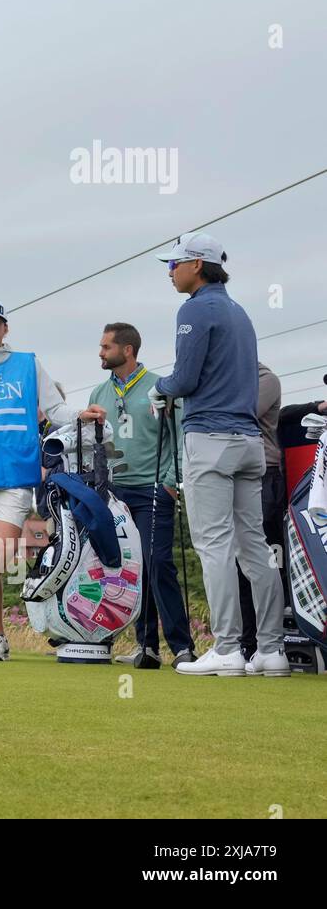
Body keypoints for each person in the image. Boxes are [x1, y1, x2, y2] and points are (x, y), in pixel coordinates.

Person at [151, 233, 288, 677]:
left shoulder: (194, 308)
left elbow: (185, 379)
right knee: (254, 548)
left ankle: (227, 648)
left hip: (211, 440)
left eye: (174, 264)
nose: (170, 271)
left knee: (214, 547)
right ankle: (270, 650)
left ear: (196, 265)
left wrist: (160, 388)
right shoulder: (240, 312)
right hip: (250, 445)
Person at [0, 301, 104, 661]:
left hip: (13, 472)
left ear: (6, 328)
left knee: (5, 550)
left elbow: (55, 409)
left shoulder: (28, 364)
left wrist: (80, 415)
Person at [89, 323, 195, 669]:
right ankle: (146, 646)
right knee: (128, 570)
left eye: (106, 347)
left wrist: (169, 482)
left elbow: (180, 436)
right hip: (114, 494)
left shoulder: (160, 388)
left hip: (152, 490)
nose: (101, 353)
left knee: (158, 562)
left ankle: (182, 646)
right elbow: (93, 445)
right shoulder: (98, 393)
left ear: (128, 350)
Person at [236, 362, 289, 660]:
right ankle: (248, 644)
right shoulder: (227, 377)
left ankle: (272, 643)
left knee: (266, 557)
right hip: (236, 473)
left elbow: (241, 413)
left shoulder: (266, 378)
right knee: (238, 563)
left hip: (265, 474)